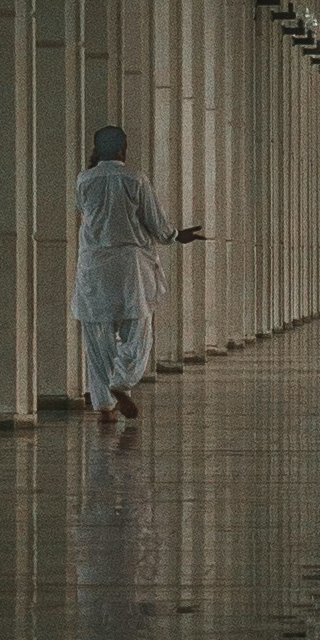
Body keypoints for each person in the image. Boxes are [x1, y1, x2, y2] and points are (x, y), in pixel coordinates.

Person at [72, 121, 198, 429]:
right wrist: (176, 235)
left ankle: (105, 408)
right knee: (138, 332)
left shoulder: (84, 180)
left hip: (94, 266)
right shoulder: (135, 179)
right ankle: (122, 381)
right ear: (122, 150)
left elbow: (85, 213)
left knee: (97, 339)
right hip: (131, 267)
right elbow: (156, 223)